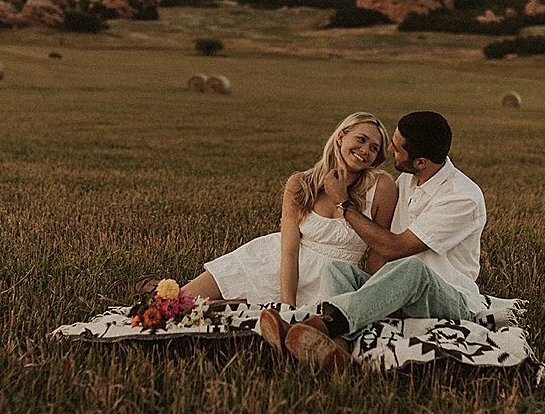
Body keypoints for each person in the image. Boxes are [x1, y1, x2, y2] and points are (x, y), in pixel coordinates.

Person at [261, 111, 486, 371]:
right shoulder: (408, 180)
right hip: (400, 293)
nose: (389, 150)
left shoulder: (461, 197)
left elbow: (394, 248)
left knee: (413, 269)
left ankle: (320, 325)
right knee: (337, 270)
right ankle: (338, 348)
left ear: (421, 162)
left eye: (396, 148)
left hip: (449, 300)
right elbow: (380, 255)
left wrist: (343, 202)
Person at [181, 112, 398, 313]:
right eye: (361, 139)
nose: (365, 150)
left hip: (330, 282)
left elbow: (378, 254)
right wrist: (288, 306)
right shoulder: (301, 183)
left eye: (374, 148)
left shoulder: (381, 187)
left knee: (225, 317)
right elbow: (290, 250)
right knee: (175, 304)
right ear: (341, 137)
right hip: (276, 264)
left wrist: (372, 300)